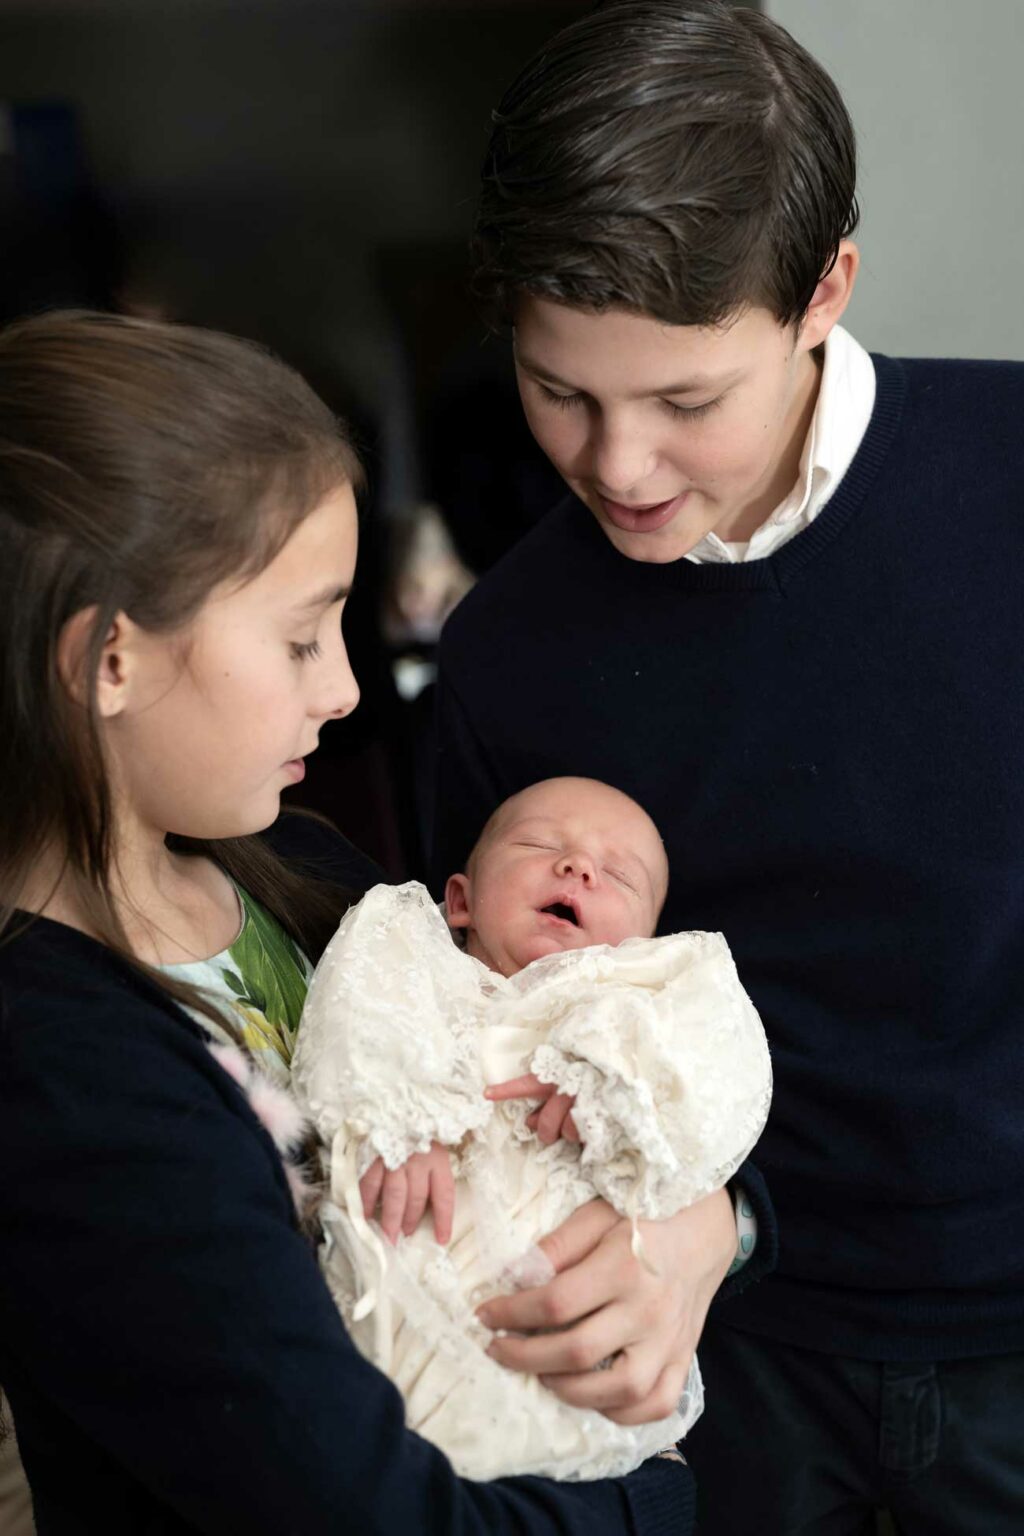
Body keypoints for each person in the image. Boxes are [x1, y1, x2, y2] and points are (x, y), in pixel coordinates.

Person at [431, 2, 1024, 1532]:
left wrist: (743, 1212)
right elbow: (489, 1044)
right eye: (561, 390)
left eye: (686, 401)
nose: (618, 467)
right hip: (718, 1381)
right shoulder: (507, 656)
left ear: (826, 289)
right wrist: (714, 1223)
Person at [0, 310, 696, 1535]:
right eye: (299, 634)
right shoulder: (61, 1080)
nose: (344, 687)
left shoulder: (304, 871)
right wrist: (660, 1505)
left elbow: (539, 1027)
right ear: (106, 659)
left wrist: (703, 1227)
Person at [291, 775, 771, 1481]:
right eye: (541, 845)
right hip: (388, 1313)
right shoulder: (409, 943)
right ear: (460, 901)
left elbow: (728, 1079)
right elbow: (360, 1007)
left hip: (576, 1357)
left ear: (646, 941)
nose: (577, 868)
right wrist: (402, 1117)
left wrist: (614, 1085)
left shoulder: (663, 989)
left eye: (618, 874)